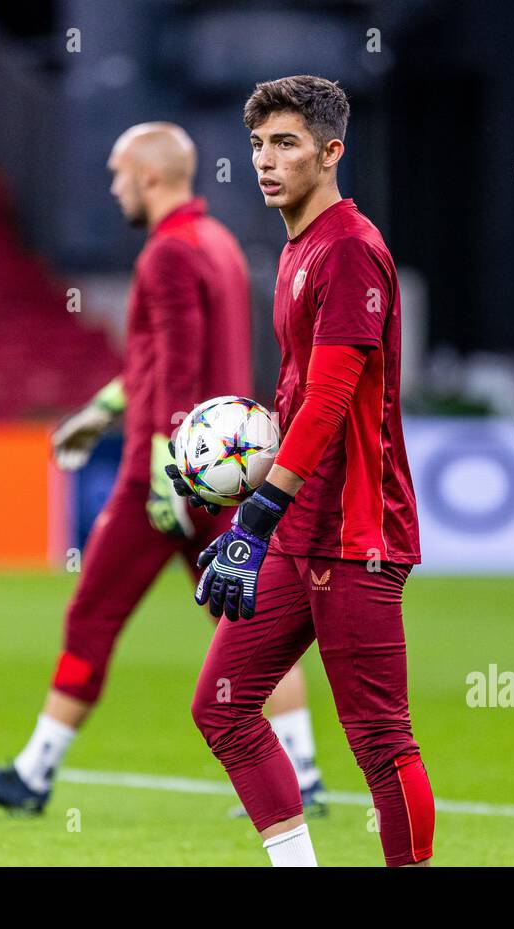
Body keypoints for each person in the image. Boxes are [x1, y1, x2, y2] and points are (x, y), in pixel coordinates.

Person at [0, 122, 327, 815]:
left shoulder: (165, 255)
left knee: (93, 614)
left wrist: (159, 476)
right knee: (246, 618)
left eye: (120, 173)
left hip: (166, 476)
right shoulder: (217, 246)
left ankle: (34, 773)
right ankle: (302, 768)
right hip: (228, 471)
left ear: (150, 177)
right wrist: (99, 411)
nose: (114, 185)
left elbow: (176, 372)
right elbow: (162, 363)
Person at [167, 78, 434, 866]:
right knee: (222, 706)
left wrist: (251, 520)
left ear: (330, 152)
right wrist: (230, 473)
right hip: (297, 526)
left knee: (382, 743)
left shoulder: (349, 249)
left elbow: (330, 402)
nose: (264, 161)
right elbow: (297, 408)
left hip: (357, 532)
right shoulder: (298, 250)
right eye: (256, 145)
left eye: (284, 144)